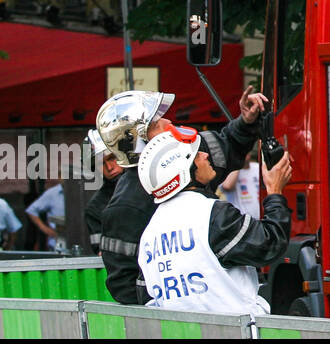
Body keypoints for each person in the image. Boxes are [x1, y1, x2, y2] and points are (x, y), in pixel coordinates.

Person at [98, 86, 264, 304]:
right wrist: (174, 303)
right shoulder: (124, 208)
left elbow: (227, 145)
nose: (169, 123)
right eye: (157, 123)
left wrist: (246, 121)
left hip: (221, 304)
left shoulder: (189, 153)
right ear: (137, 141)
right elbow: (124, 286)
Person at [135, 121, 291, 316]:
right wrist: (275, 192)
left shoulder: (149, 233)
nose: (205, 154)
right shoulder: (210, 214)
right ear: (184, 169)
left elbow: (146, 298)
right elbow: (270, 244)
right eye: (197, 153)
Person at [84, 129, 122, 255]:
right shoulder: (95, 208)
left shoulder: (149, 186)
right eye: (101, 163)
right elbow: (102, 254)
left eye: (112, 158)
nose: (109, 168)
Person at [219, 145, 261, 220]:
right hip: (242, 223)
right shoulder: (230, 172)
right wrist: (238, 162)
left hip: (260, 221)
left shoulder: (257, 167)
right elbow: (227, 186)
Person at [27, 182, 66, 252]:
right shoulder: (52, 193)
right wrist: (46, 229)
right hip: (58, 242)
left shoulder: (80, 192)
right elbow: (31, 210)